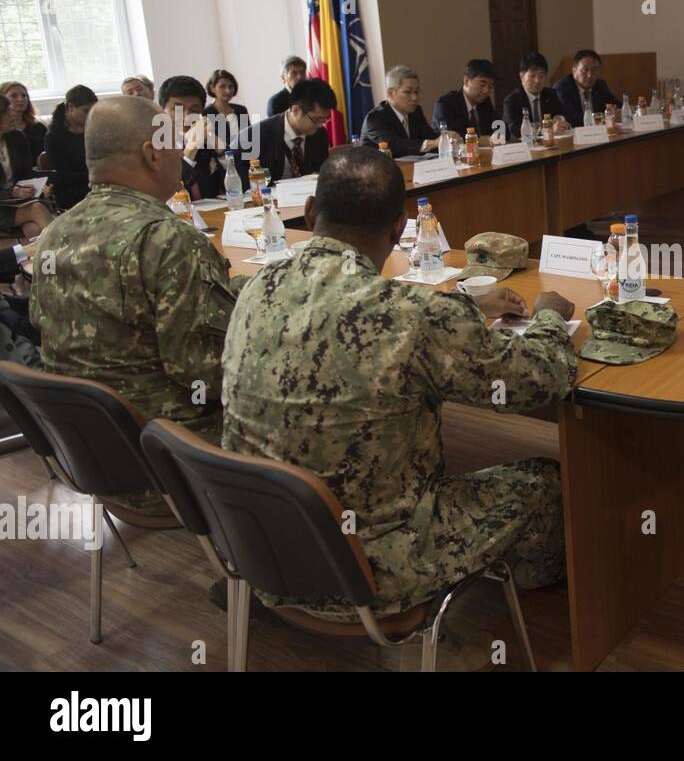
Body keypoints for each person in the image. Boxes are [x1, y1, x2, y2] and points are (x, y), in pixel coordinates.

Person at [221, 146, 578, 622]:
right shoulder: (414, 316)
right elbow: (541, 379)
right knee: (546, 481)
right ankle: (535, 589)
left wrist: (462, 306)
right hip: (369, 568)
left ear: (309, 214)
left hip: (259, 546)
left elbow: (361, 320)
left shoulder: (253, 289)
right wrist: (550, 315)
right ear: (398, 229)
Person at [30, 96, 242, 517]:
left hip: (93, 459)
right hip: (174, 460)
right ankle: (275, 575)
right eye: (174, 142)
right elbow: (205, 371)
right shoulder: (167, 240)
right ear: (151, 153)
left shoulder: (53, 234)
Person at [238, 79, 335, 181]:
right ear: (295, 110)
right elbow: (245, 185)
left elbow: (322, 175)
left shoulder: (320, 134)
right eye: (316, 119)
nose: (320, 125)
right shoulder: (254, 137)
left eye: (325, 119)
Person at [159, 75, 225, 200]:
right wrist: (190, 152)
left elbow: (242, 185)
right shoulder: (154, 147)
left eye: (194, 110)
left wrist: (221, 152)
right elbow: (171, 194)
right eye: (178, 110)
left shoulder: (206, 138)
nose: (187, 117)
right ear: (162, 111)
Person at [0, 94, 53, 237]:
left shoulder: (17, 137)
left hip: (18, 202)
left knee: (34, 229)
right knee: (37, 209)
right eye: (7, 112)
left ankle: (43, 258)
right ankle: (66, 252)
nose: (13, 114)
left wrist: (41, 186)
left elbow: (27, 174)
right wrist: (12, 192)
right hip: (4, 204)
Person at [40, 84, 98, 210]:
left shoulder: (94, 129)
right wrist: (98, 175)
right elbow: (64, 175)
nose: (90, 115)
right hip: (72, 191)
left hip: (95, 182)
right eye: (86, 111)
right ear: (71, 107)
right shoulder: (54, 137)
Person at [361, 65, 439, 157]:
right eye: (407, 92)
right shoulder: (374, 118)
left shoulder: (416, 112)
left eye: (416, 92)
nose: (415, 98)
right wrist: (433, 143)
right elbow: (394, 145)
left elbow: (430, 137)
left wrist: (445, 138)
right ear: (391, 94)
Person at [502, 52, 571, 141]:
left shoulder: (551, 94)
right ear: (522, 76)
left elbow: (564, 114)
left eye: (541, 76)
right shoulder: (512, 100)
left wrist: (559, 119)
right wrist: (545, 130)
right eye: (532, 76)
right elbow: (515, 130)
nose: (537, 80)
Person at [433, 58, 502, 139]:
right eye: (482, 85)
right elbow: (452, 137)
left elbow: (502, 130)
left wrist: (498, 135)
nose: (486, 91)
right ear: (466, 81)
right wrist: (479, 141)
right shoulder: (446, 104)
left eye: (490, 86)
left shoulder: (485, 102)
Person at [553, 50, 619, 128]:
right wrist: (602, 117)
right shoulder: (562, 87)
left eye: (594, 70)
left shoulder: (600, 85)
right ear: (574, 71)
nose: (590, 75)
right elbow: (569, 118)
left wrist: (616, 111)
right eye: (584, 70)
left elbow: (616, 105)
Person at [203, 69, 252, 150]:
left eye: (231, 86)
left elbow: (249, 137)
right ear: (212, 88)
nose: (228, 91)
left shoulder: (241, 110)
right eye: (222, 86)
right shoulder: (206, 113)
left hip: (244, 156)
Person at [1, 81, 48, 161]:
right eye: (14, 96)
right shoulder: (3, 130)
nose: (20, 99)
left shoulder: (38, 127)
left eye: (24, 95)